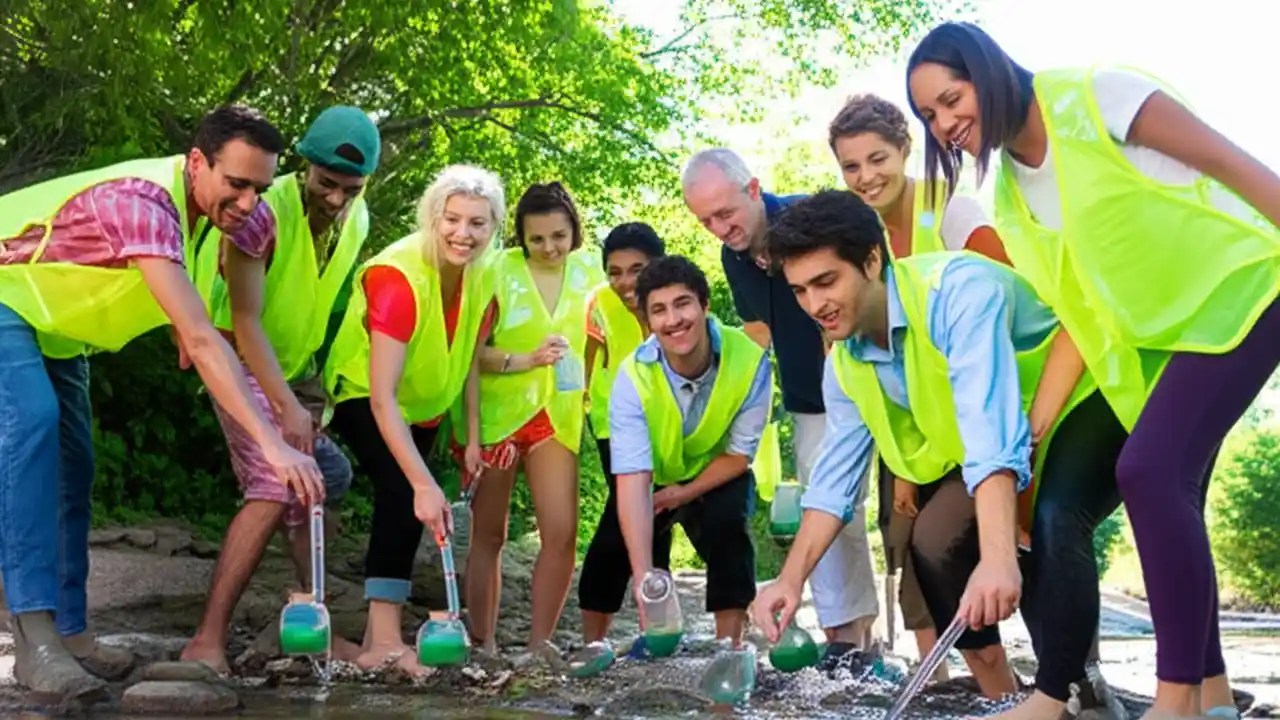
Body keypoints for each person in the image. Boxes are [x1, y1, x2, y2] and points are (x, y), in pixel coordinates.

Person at [906, 21, 1280, 720]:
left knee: (1149, 470)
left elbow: (1236, 166)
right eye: (930, 115)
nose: (946, 123)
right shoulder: (1013, 195)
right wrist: (1032, 434)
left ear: (987, 70)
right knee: (1171, 489)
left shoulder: (1098, 97)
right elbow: (1079, 318)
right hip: (1167, 339)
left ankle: (1176, 706)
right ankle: (1215, 698)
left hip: (1247, 289)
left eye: (951, 99)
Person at [752, 190, 1129, 719]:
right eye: (799, 291)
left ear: (871, 260)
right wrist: (790, 580)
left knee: (1051, 517)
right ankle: (1003, 695)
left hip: (1081, 399)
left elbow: (988, 425)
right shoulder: (846, 364)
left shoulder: (957, 291)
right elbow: (833, 484)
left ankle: (1065, 692)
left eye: (826, 282)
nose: (815, 305)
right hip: (1004, 438)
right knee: (932, 542)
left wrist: (998, 558)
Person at [0, 105, 323, 702]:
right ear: (198, 162)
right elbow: (202, 338)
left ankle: (70, 632)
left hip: (58, 327)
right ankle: (33, 637)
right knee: (33, 429)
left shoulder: (212, 222)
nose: (251, 202)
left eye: (262, 188)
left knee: (77, 463)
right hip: (7, 294)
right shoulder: (143, 202)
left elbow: (201, 323)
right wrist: (272, 445)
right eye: (237, 184)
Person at [181, 105, 382, 673]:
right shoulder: (260, 216)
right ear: (303, 167)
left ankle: (306, 617)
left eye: (351, 188)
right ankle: (206, 641)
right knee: (274, 481)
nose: (336, 198)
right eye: (326, 183)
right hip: (238, 359)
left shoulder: (357, 217)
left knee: (327, 479)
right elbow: (245, 321)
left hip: (299, 371)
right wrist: (287, 408)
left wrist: (311, 394)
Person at [827, 92, 1014, 671]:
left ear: (905, 150)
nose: (865, 176)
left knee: (1021, 540)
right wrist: (903, 464)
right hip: (917, 424)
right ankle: (944, 673)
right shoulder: (860, 234)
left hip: (989, 407)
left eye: (877, 159)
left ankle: (1073, 676)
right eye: (851, 166)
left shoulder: (952, 208)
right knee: (911, 542)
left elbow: (1002, 294)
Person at [681, 148, 878, 668]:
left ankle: (923, 653)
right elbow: (758, 334)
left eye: (725, 213)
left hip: (871, 385)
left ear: (753, 189)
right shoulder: (732, 258)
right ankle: (847, 640)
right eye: (705, 221)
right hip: (810, 403)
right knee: (832, 511)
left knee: (910, 520)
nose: (719, 228)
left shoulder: (808, 223)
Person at [323, 164, 504, 674]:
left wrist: (471, 436)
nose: (463, 234)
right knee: (406, 493)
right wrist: (424, 483)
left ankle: (371, 641)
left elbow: (469, 356)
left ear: (493, 228)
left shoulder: (485, 275)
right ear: (432, 217)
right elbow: (381, 396)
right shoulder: (398, 278)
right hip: (365, 394)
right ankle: (383, 643)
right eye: (452, 219)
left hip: (423, 411)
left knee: (408, 501)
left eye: (477, 223)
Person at [463, 182, 604, 658]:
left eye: (559, 236)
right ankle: (484, 641)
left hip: (558, 416)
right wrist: (526, 360)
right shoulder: (495, 270)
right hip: (498, 417)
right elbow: (468, 353)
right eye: (537, 238)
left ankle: (540, 642)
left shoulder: (593, 272)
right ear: (519, 235)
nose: (549, 248)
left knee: (561, 532)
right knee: (489, 533)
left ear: (574, 232)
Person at [611, 255, 771, 644]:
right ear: (648, 322)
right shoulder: (632, 376)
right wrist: (643, 575)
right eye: (659, 311)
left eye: (683, 304)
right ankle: (619, 641)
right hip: (654, 476)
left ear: (704, 305)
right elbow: (632, 478)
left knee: (728, 526)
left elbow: (739, 455)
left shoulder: (750, 361)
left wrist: (684, 493)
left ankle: (729, 643)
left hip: (719, 471)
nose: (674, 320)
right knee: (614, 546)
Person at [578, 222, 667, 645]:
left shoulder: (674, 298)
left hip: (668, 424)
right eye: (615, 271)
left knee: (660, 518)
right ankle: (594, 637)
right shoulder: (598, 303)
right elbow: (584, 362)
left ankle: (661, 629)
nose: (625, 281)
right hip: (613, 426)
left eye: (636, 269)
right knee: (621, 520)